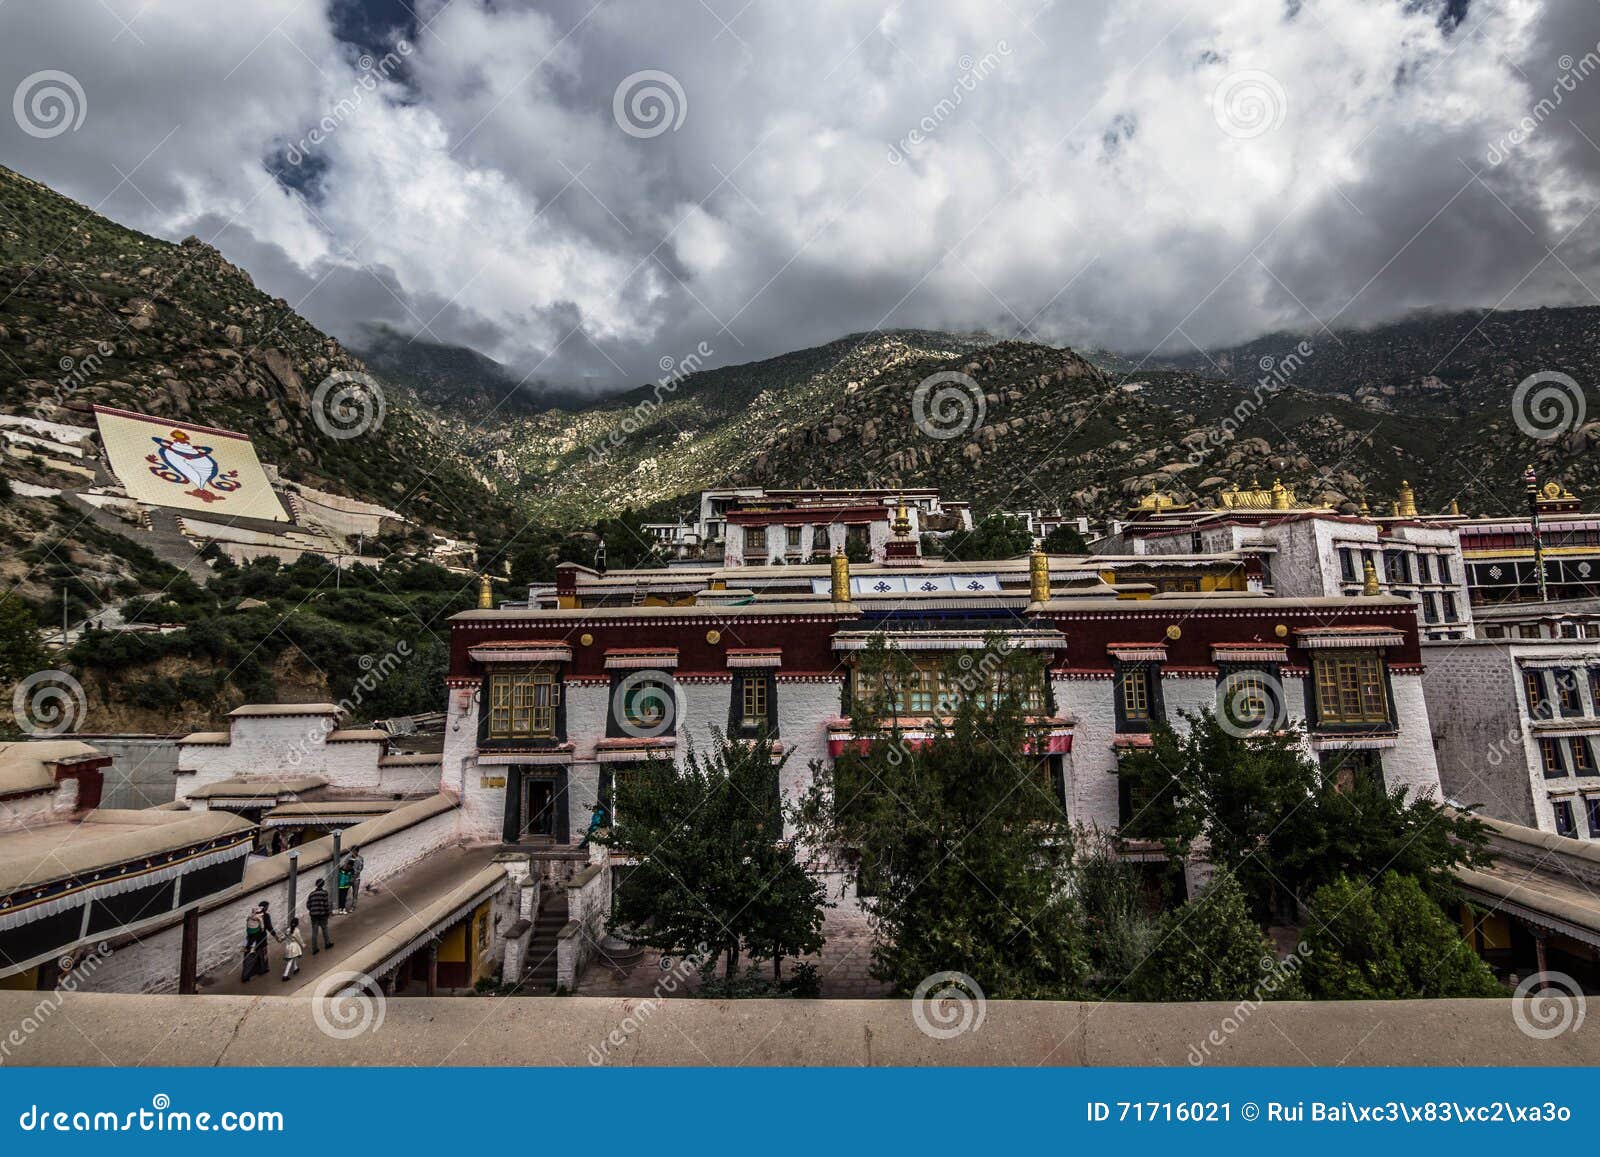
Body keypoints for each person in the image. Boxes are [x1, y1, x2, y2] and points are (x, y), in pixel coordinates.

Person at [241, 901, 275, 982]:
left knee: (253, 957)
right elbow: (269, 928)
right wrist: (276, 937)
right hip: (260, 940)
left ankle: (248, 974)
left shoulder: (252, 916)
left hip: (252, 940)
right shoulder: (265, 916)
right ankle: (260, 970)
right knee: (259, 956)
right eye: (267, 907)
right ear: (265, 908)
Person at [305, 878, 334, 954]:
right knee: (324, 928)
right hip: (322, 914)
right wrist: (328, 912)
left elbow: (308, 905)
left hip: (314, 915)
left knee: (314, 932)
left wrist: (312, 910)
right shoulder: (324, 893)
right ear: (323, 885)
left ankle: (314, 948)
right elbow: (326, 904)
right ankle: (327, 944)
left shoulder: (311, 894)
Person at [280, 917, 304, 982]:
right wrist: (303, 944)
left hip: (288, 946)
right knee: (290, 961)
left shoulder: (288, 930)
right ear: (297, 924)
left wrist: (281, 939)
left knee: (294, 957)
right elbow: (299, 939)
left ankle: (295, 968)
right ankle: (285, 975)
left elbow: (284, 937)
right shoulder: (297, 931)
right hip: (294, 946)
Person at [345, 847, 365, 912]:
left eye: (353, 851)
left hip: (356, 879)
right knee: (345, 892)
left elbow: (359, 870)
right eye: (351, 851)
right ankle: (344, 906)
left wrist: (353, 878)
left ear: (357, 851)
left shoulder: (360, 859)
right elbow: (346, 867)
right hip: (348, 878)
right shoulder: (349, 858)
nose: (352, 852)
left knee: (355, 893)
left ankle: (353, 906)